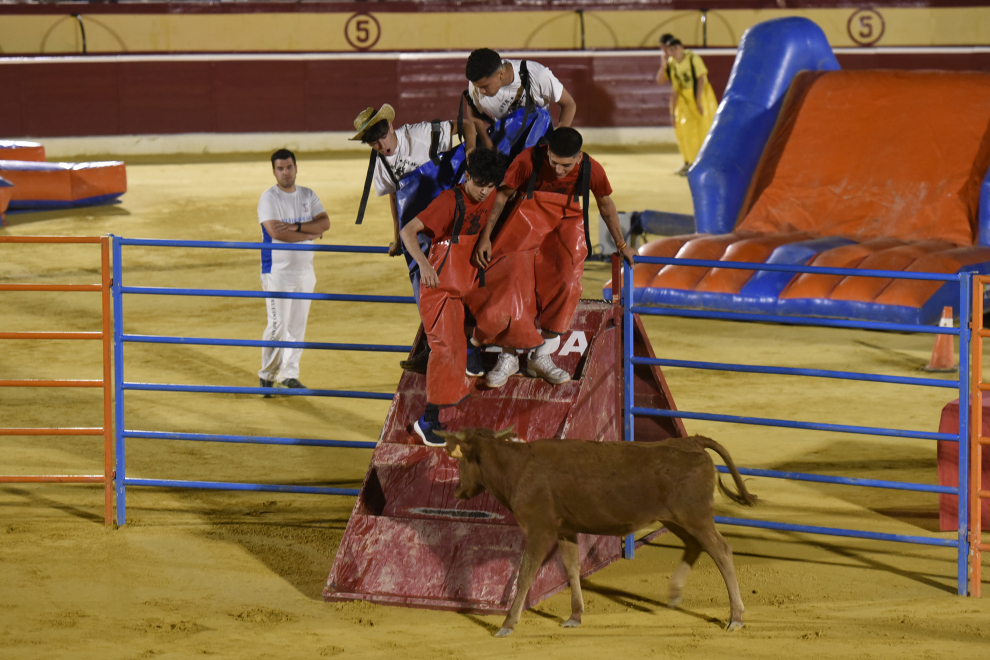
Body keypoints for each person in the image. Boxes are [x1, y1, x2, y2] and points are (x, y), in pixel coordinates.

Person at [472, 127, 636, 386]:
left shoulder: (592, 170)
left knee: (568, 282)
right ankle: (509, 356)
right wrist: (485, 237)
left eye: (566, 165)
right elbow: (502, 195)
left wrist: (622, 244)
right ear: (547, 151)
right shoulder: (528, 160)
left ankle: (542, 356)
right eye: (553, 162)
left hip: (565, 225)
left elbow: (606, 204)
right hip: (525, 222)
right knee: (513, 279)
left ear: (579, 157)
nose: (558, 170)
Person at [399, 148, 532, 447]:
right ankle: (427, 421)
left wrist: (485, 238)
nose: (485, 191)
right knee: (445, 350)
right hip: (440, 289)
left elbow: (494, 206)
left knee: (506, 300)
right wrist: (422, 264)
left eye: (489, 185)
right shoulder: (449, 201)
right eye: (479, 184)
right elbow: (408, 231)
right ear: (467, 176)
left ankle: (472, 348)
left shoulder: (490, 192)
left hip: (465, 281)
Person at [257, 148, 330, 396]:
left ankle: (289, 375)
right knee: (278, 326)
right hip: (277, 272)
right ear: (274, 171)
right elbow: (277, 233)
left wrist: (297, 227)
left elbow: (325, 223)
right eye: (280, 168)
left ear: (296, 168)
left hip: (305, 271)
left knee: (297, 326)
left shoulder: (308, 195)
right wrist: (310, 233)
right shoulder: (268, 198)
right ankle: (267, 376)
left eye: (289, 167)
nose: (285, 172)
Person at [350, 103, 455, 267]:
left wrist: (471, 154)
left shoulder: (419, 134)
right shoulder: (381, 165)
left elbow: (466, 125)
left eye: (383, 137)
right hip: (424, 225)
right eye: (374, 143)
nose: (383, 146)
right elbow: (395, 200)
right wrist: (398, 240)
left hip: (449, 218)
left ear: (391, 127)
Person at [463, 48, 577, 152]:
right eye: (478, 87)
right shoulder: (477, 84)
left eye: (485, 87)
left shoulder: (539, 76)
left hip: (540, 142)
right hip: (505, 146)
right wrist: (488, 144)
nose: (481, 91)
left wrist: (557, 139)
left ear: (500, 74)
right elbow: (474, 115)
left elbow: (569, 104)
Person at [655, 37, 718, 175]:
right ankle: (690, 162)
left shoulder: (691, 58)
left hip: (700, 97)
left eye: (670, 49)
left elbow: (701, 79)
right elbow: (672, 87)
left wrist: (698, 101)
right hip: (686, 99)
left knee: (704, 130)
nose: (667, 52)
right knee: (686, 133)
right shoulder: (672, 62)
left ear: (680, 47)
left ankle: (705, 163)